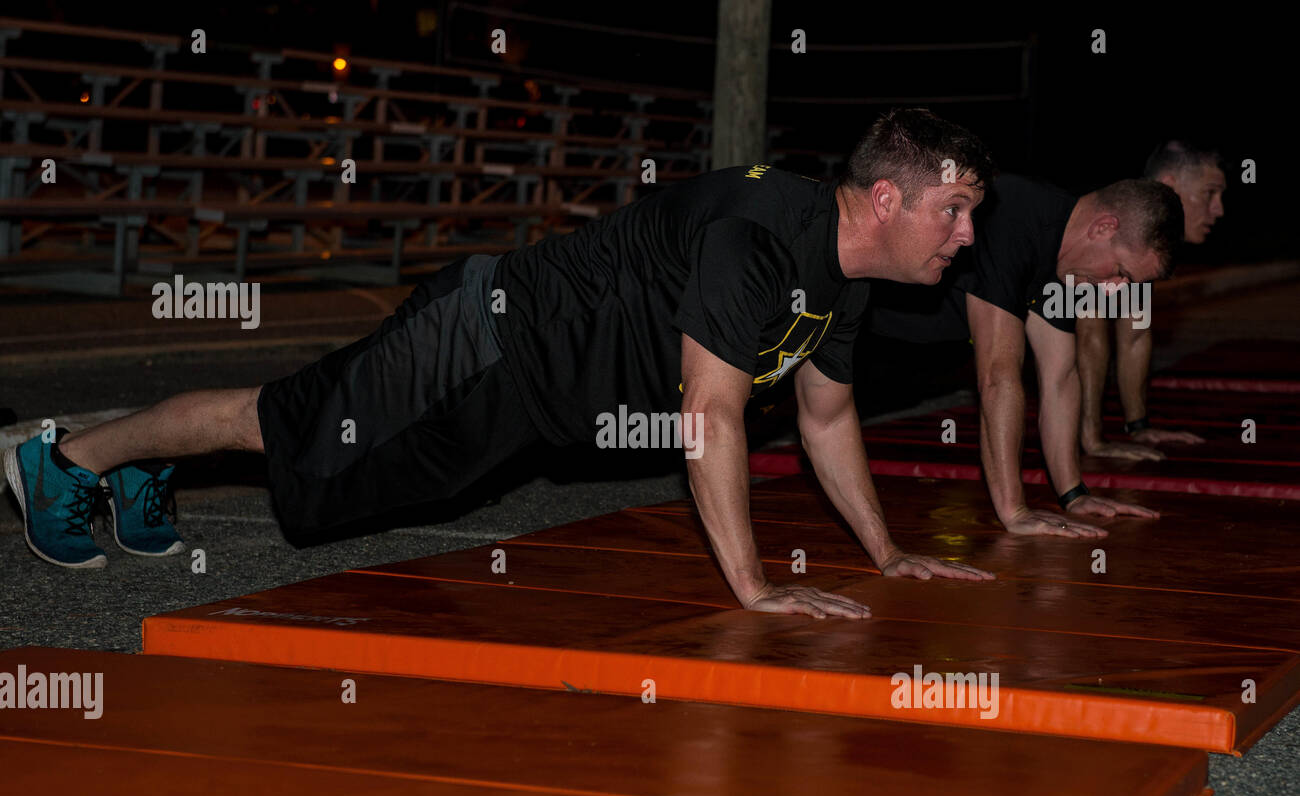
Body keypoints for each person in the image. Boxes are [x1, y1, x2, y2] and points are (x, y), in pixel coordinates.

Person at [7, 108, 997, 618]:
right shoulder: (761, 239)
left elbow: (824, 418)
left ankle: (132, 464)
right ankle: (67, 459)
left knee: (340, 486)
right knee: (277, 422)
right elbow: (710, 416)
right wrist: (752, 588)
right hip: (478, 337)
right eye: (952, 212)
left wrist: (887, 554)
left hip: (528, 400)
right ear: (881, 201)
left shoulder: (845, 285)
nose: (963, 237)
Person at [867, 173, 1183, 538]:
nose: (1114, 292)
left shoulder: (1068, 262)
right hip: (838, 305)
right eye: (1120, 273)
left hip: (879, 332)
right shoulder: (1012, 215)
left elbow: (1061, 377)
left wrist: (1074, 494)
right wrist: (1014, 511)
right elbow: (998, 375)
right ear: (1103, 228)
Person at [1076, 140, 1226, 456]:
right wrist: (1093, 441)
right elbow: (1088, 335)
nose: (1218, 209)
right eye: (1210, 193)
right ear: (1168, 186)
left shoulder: (1148, 235)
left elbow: (1134, 333)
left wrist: (1139, 427)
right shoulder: (1113, 223)